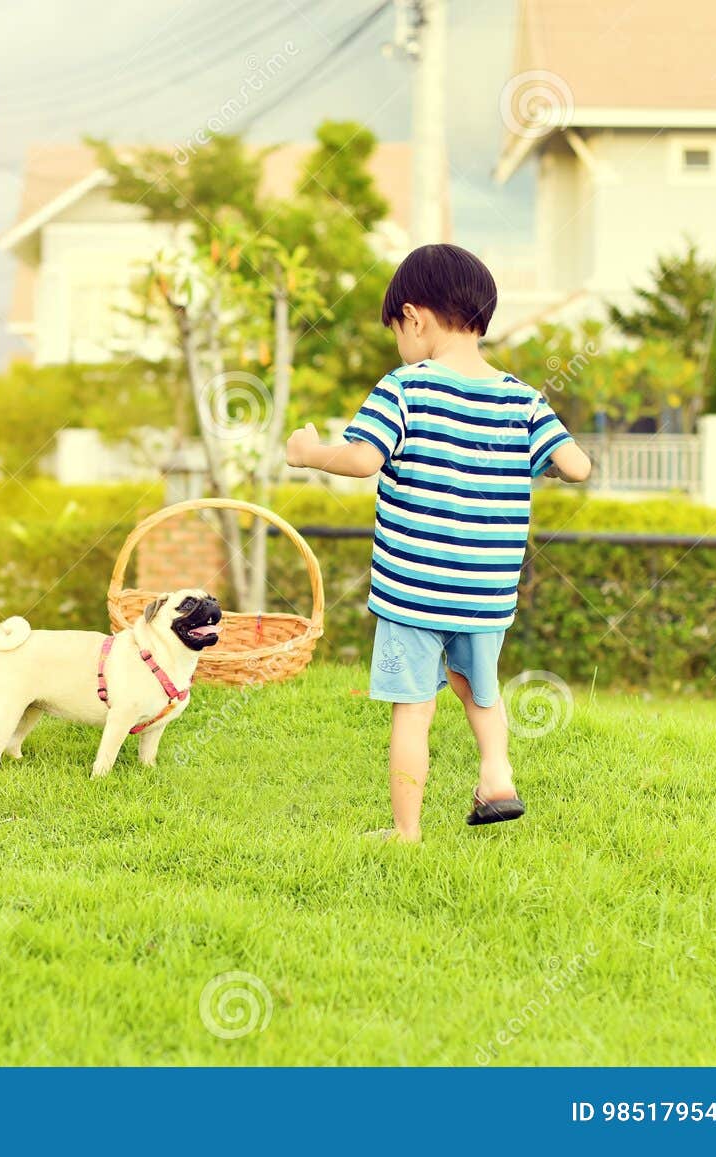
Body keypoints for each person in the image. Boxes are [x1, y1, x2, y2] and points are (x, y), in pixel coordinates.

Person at [285, 243, 591, 843]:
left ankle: (405, 833)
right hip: (485, 592)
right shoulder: (522, 397)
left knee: (413, 712)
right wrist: (542, 463)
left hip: (413, 591)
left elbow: (362, 457)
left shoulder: (406, 387)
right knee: (480, 689)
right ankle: (497, 776)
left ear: (415, 316)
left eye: (397, 328)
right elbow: (577, 466)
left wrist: (309, 453)